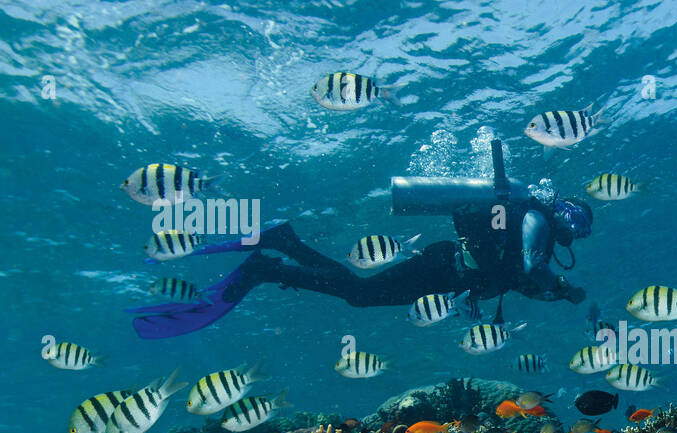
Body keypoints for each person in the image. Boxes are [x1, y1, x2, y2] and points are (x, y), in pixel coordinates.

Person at [130, 140, 592, 339]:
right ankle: (273, 259)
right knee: (359, 293)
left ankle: (283, 249)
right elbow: (529, 268)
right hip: (443, 267)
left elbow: (512, 272)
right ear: (564, 210)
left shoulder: (534, 223)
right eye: (577, 217)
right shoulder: (537, 219)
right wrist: (563, 288)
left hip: (453, 273)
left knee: (359, 294)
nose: (575, 227)